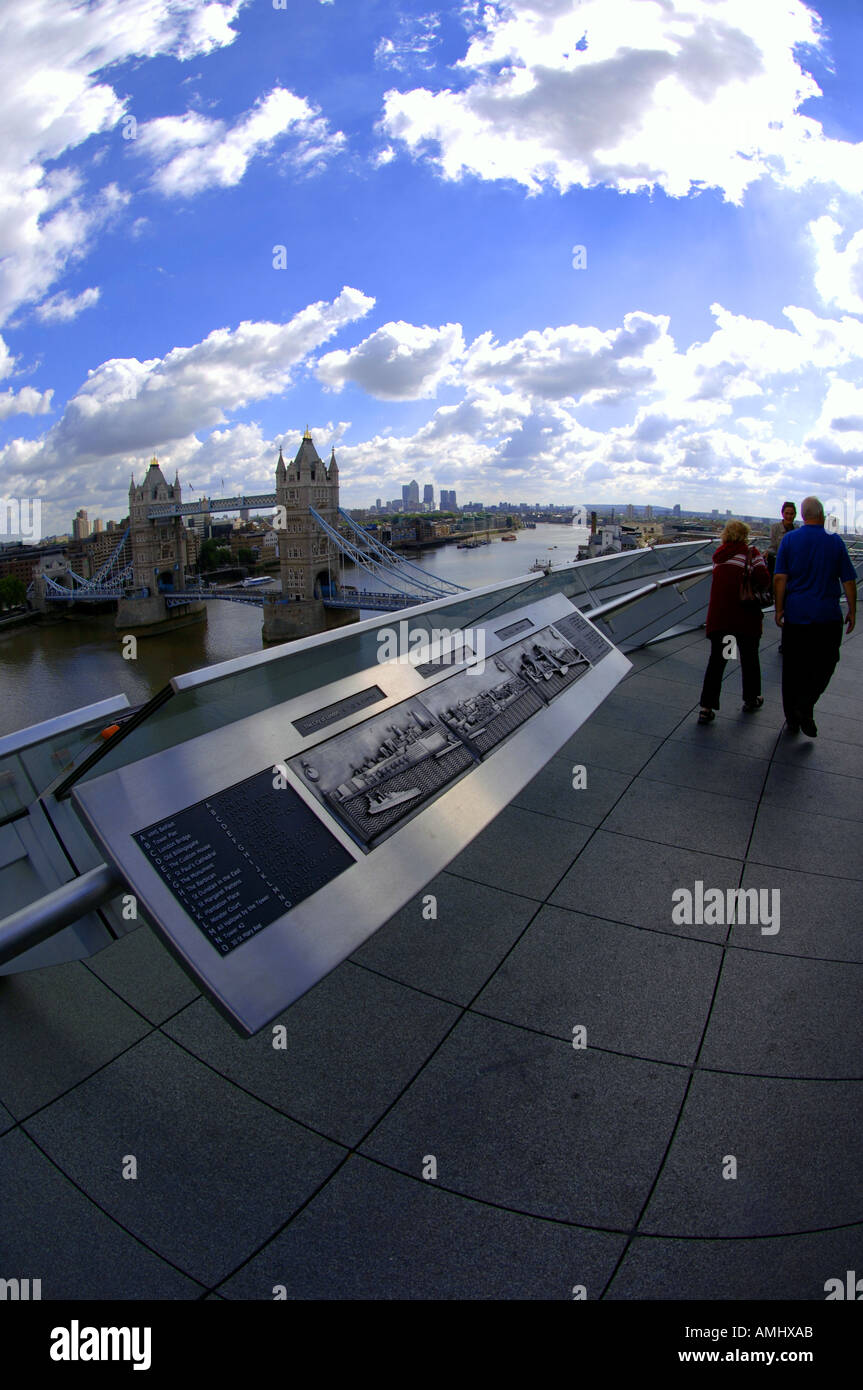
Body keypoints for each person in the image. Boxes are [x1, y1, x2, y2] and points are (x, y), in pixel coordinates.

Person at [773, 496, 857, 736]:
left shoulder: (790, 540)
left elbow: (780, 578)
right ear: (821, 514)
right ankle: (806, 704)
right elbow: (848, 580)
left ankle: (792, 717)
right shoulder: (835, 541)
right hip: (827, 616)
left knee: (792, 668)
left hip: (796, 615)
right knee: (826, 663)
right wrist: (852, 610)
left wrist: (779, 609)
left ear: (802, 515)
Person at [697, 520, 770, 724]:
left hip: (722, 621)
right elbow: (764, 580)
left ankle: (707, 707)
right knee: (749, 659)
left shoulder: (719, 556)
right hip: (745, 620)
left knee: (718, 661)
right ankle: (751, 698)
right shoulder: (751, 553)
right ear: (744, 536)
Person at [766, 501, 798, 580]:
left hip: (792, 563)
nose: (789, 516)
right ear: (782, 513)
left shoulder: (797, 529)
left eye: (791, 514)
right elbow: (773, 547)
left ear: (795, 515)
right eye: (786, 513)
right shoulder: (775, 527)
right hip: (777, 562)